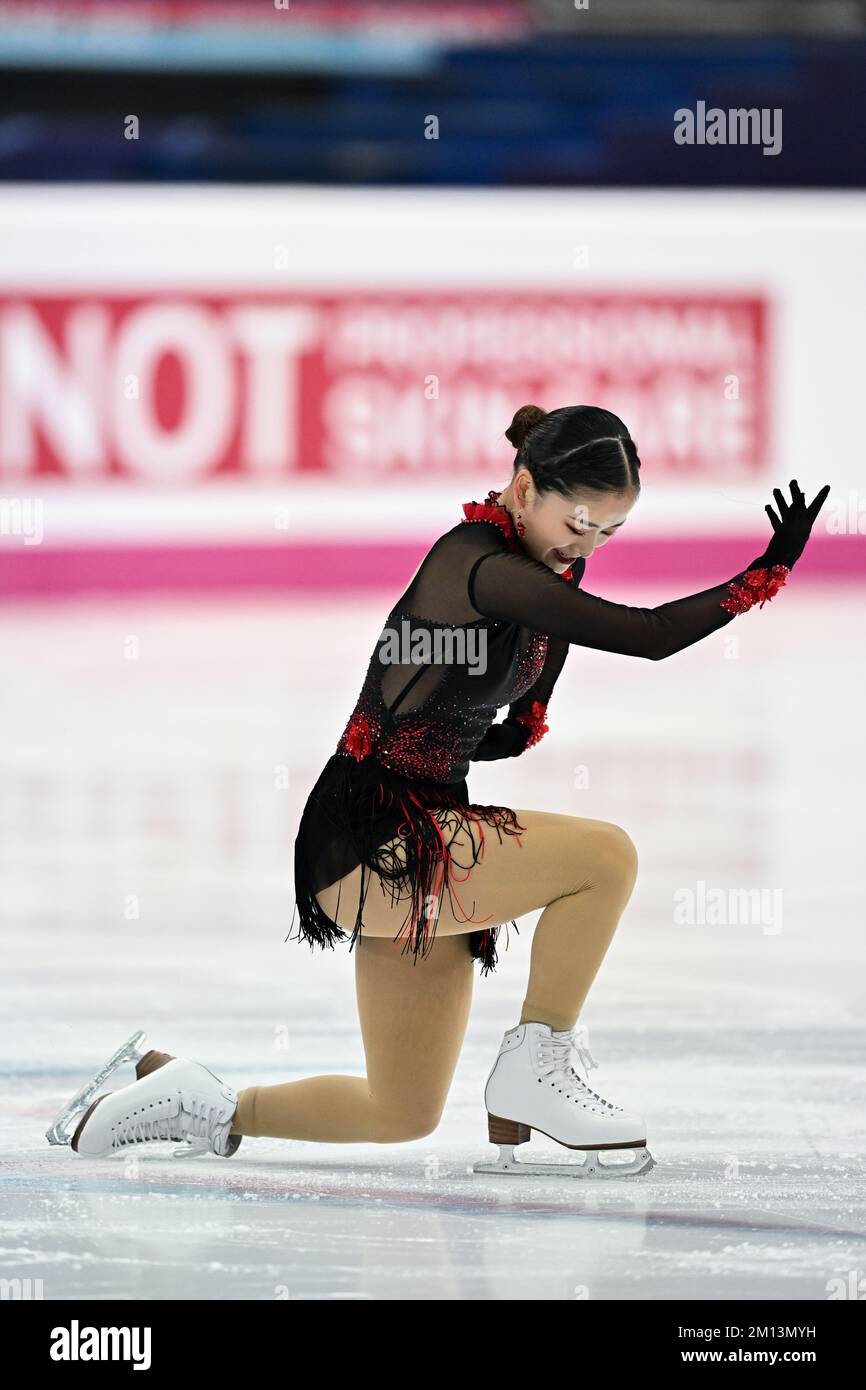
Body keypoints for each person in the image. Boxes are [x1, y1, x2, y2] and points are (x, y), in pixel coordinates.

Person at [61, 404, 829, 1168]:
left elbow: (522, 702)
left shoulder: (549, 566)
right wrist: (768, 574)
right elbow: (648, 636)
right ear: (524, 490)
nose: (586, 544)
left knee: (401, 1110)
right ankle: (537, 1067)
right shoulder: (479, 566)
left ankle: (204, 1104)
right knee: (606, 858)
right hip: (375, 834)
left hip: (421, 829)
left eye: (607, 532)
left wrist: (524, 720)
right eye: (579, 522)